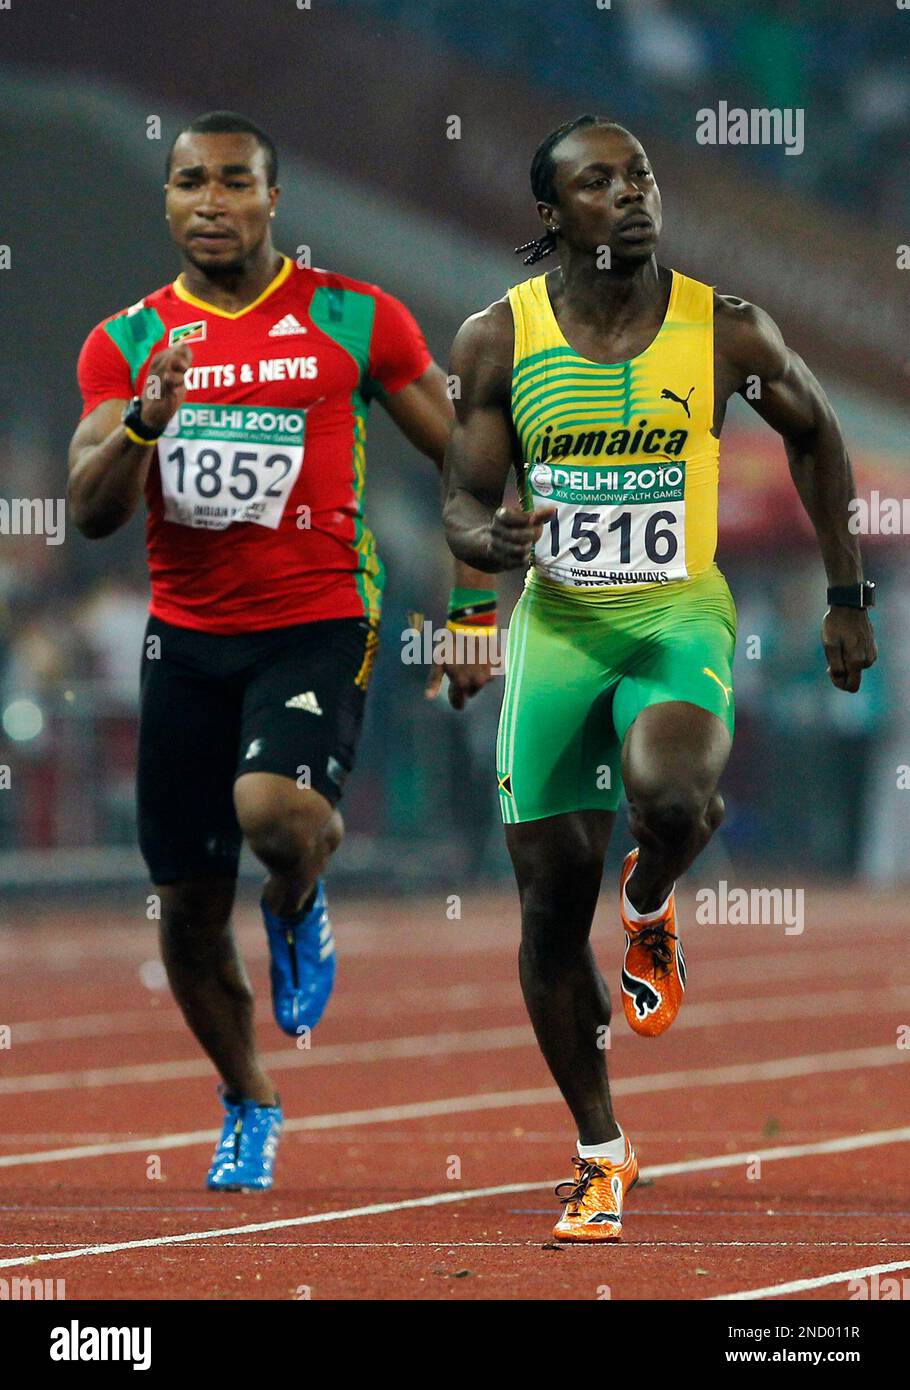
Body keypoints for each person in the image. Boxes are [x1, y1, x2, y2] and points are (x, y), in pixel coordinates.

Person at [442, 114, 877, 1241]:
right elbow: (461, 494)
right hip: (559, 632)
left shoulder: (725, 327)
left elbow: (820, 434)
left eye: (639, 174)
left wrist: (844, 596)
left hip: (677, 614)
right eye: (598, 182)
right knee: (544, 912)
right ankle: (600, 1148)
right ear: (553, 214)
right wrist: (484, 555)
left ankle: (648, 900)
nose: (631, 193)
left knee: (672, 796)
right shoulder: (498, 340)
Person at [68, 111, 493, 1192]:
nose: (210, 201)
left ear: (273, 198)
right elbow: (91, 512)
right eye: (188, 183)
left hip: (317, 620)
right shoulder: (124, 343)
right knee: (189, 907)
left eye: (233, 182)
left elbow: (472, 468)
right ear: (165, 201)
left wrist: (475, 614)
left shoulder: (354, 318)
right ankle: (249, 1099)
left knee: (277, 814)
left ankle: (299, 899)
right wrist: (143, 424)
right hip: (188, 641)